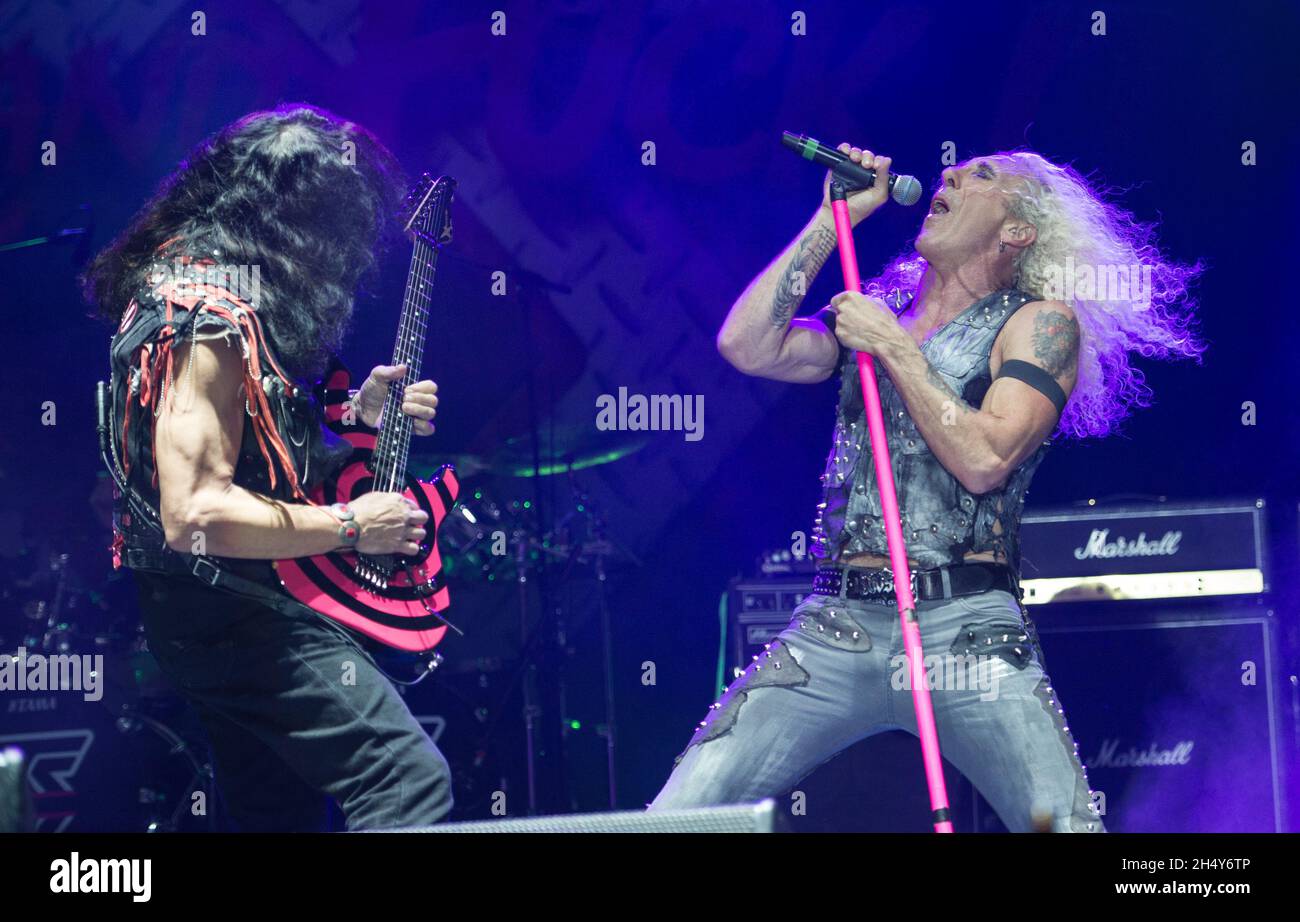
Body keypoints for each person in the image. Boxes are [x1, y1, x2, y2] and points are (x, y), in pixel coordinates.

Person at [651, 143, 1204, 832]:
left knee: (1064, 826)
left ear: (1018, 231)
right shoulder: (884, 314)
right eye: (955, 169)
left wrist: (894, 347)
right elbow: (747, 345)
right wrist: (834, 221)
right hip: (836, 627)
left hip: (965, 629)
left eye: (981, 176)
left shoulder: (1037, 323)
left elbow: (986, 457)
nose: (949, 175)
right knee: (676, 818)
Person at [83, 104, 453, 831]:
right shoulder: (205, 319)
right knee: (407, 782)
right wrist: (353, 524)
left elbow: (247, 439)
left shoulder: (211, 278)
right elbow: (196, 513)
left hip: (206, 612)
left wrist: (353, 416)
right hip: (234, 611)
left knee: (274, 816)